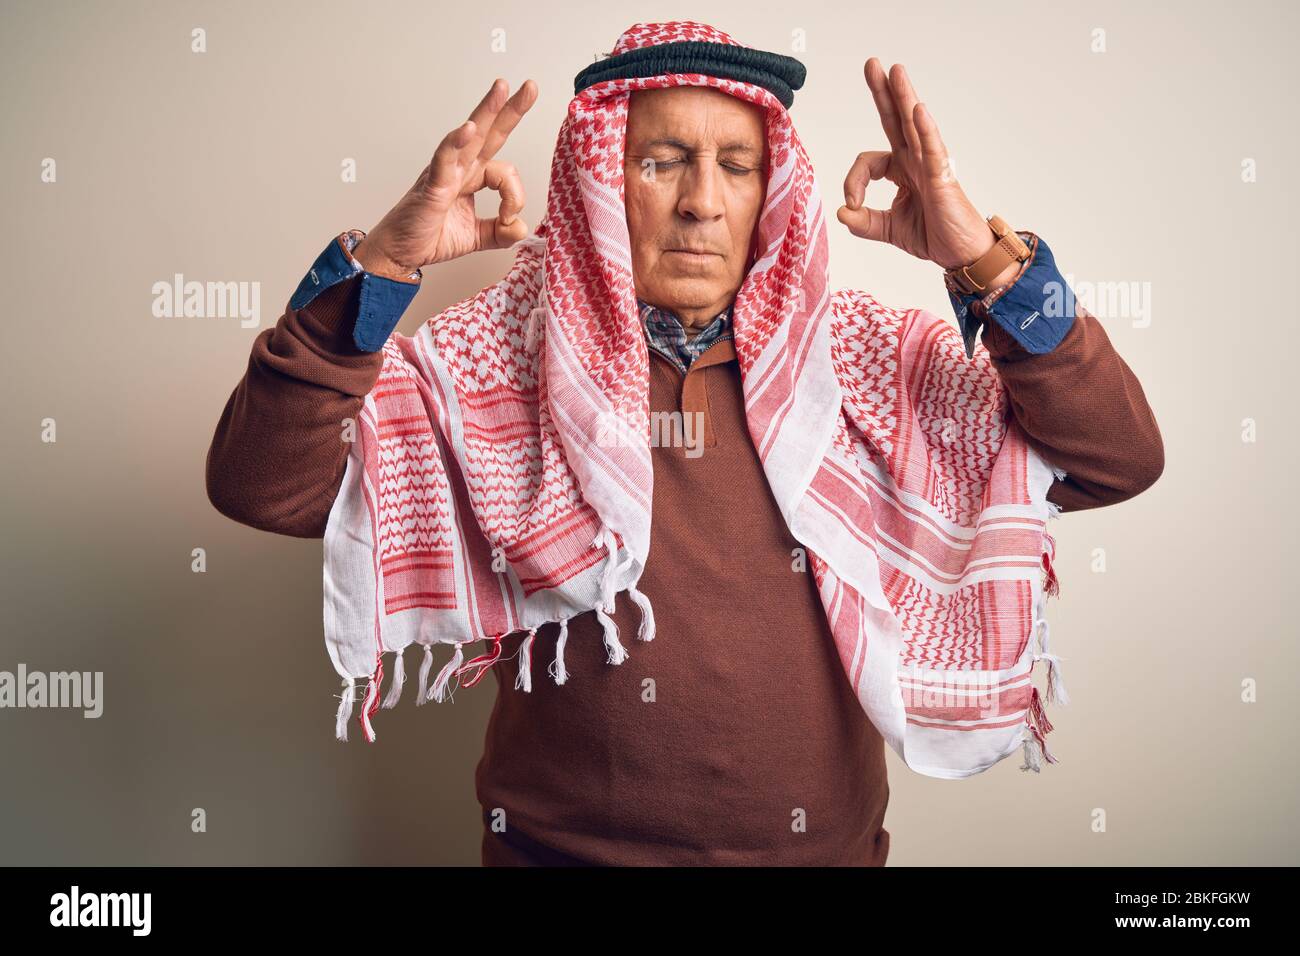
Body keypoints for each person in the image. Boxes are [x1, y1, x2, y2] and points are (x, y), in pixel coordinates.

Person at [205, 21, 1164, 866]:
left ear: (768, 192)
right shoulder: (493, 363)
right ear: (598, 182)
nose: (703, 201)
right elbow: (263, 488)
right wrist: (382, 266)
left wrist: (982, 260)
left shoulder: (864, 364)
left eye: (736, 166)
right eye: (662, 159)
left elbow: (1117, 457)